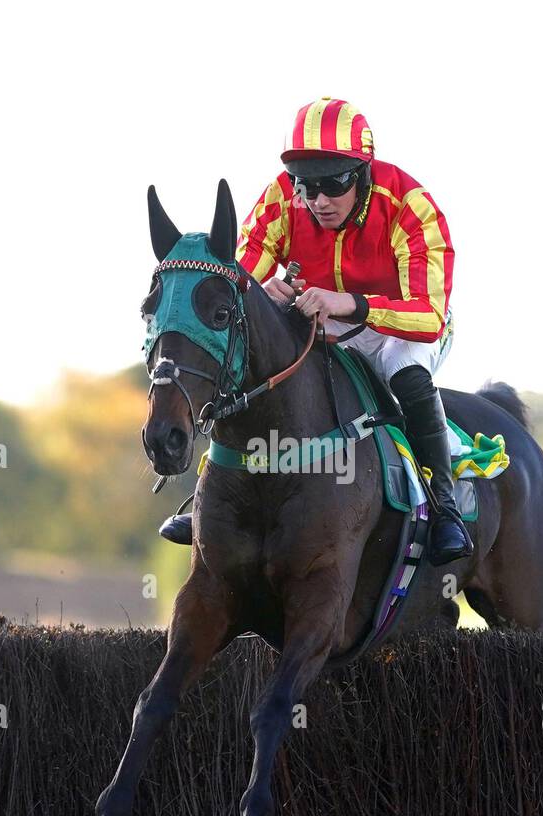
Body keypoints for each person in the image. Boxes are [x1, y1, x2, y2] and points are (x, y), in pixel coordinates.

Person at [158, 97, 473, 565]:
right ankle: (210, 485)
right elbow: (232, 285)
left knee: (402, 368)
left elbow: (427, 315)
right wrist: (265, 292)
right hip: (319, 318)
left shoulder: (411, 207)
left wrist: (350, 304)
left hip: (401, 326)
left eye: (332, 185)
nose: (317, 201)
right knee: (251, 351)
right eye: (306, 186)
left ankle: (446, 508)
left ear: (362, 172)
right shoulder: (281, 200)